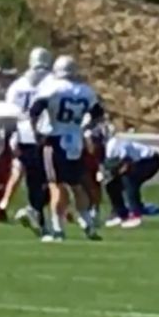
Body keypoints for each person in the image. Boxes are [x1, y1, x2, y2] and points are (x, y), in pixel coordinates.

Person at [28, 55, 107, 242]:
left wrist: (36, 132)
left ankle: (57, 229)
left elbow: (34, 111)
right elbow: (98, 115)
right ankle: (87, 223)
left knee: (56, 184)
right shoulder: (86, 91)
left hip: (56, 139)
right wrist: (84, 128)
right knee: (76, 185)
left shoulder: (53, 88)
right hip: (76, 140)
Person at [0, 47, 53, 235]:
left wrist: (11, 137)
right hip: (43, 134)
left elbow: (8, 113)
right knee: (51, 181)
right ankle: (34, 212)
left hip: (22, 135)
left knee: (33, 181)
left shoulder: (17, 85)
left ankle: (38, 219)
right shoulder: (51, 83)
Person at [99, 134, 159, 228]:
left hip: (149, 160)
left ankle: (135, 214)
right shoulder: (100, 150)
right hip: (134, 162)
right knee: (111, 184)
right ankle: (120, 213)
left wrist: (112, 174)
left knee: (129, 180)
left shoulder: (115, 145)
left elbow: (126, 165)